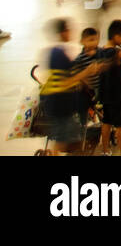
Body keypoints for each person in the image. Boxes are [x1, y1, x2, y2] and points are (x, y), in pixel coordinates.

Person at [39, 19, 104, 154]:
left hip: (58, 104)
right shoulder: (59, 54)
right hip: (60, 104)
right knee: (63, 140)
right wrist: (87, 72)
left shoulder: (55, 52)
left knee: (67, 138)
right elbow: (66, 81)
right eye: (68, 30)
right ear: (63, 32)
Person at [94, 19, 121, 156]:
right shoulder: (116, 52)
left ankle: (105, 151)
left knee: (106, 122)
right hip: (119, 95)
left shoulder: (101, 51)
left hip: (106, 95)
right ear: (116, 36)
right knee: (120, 126)